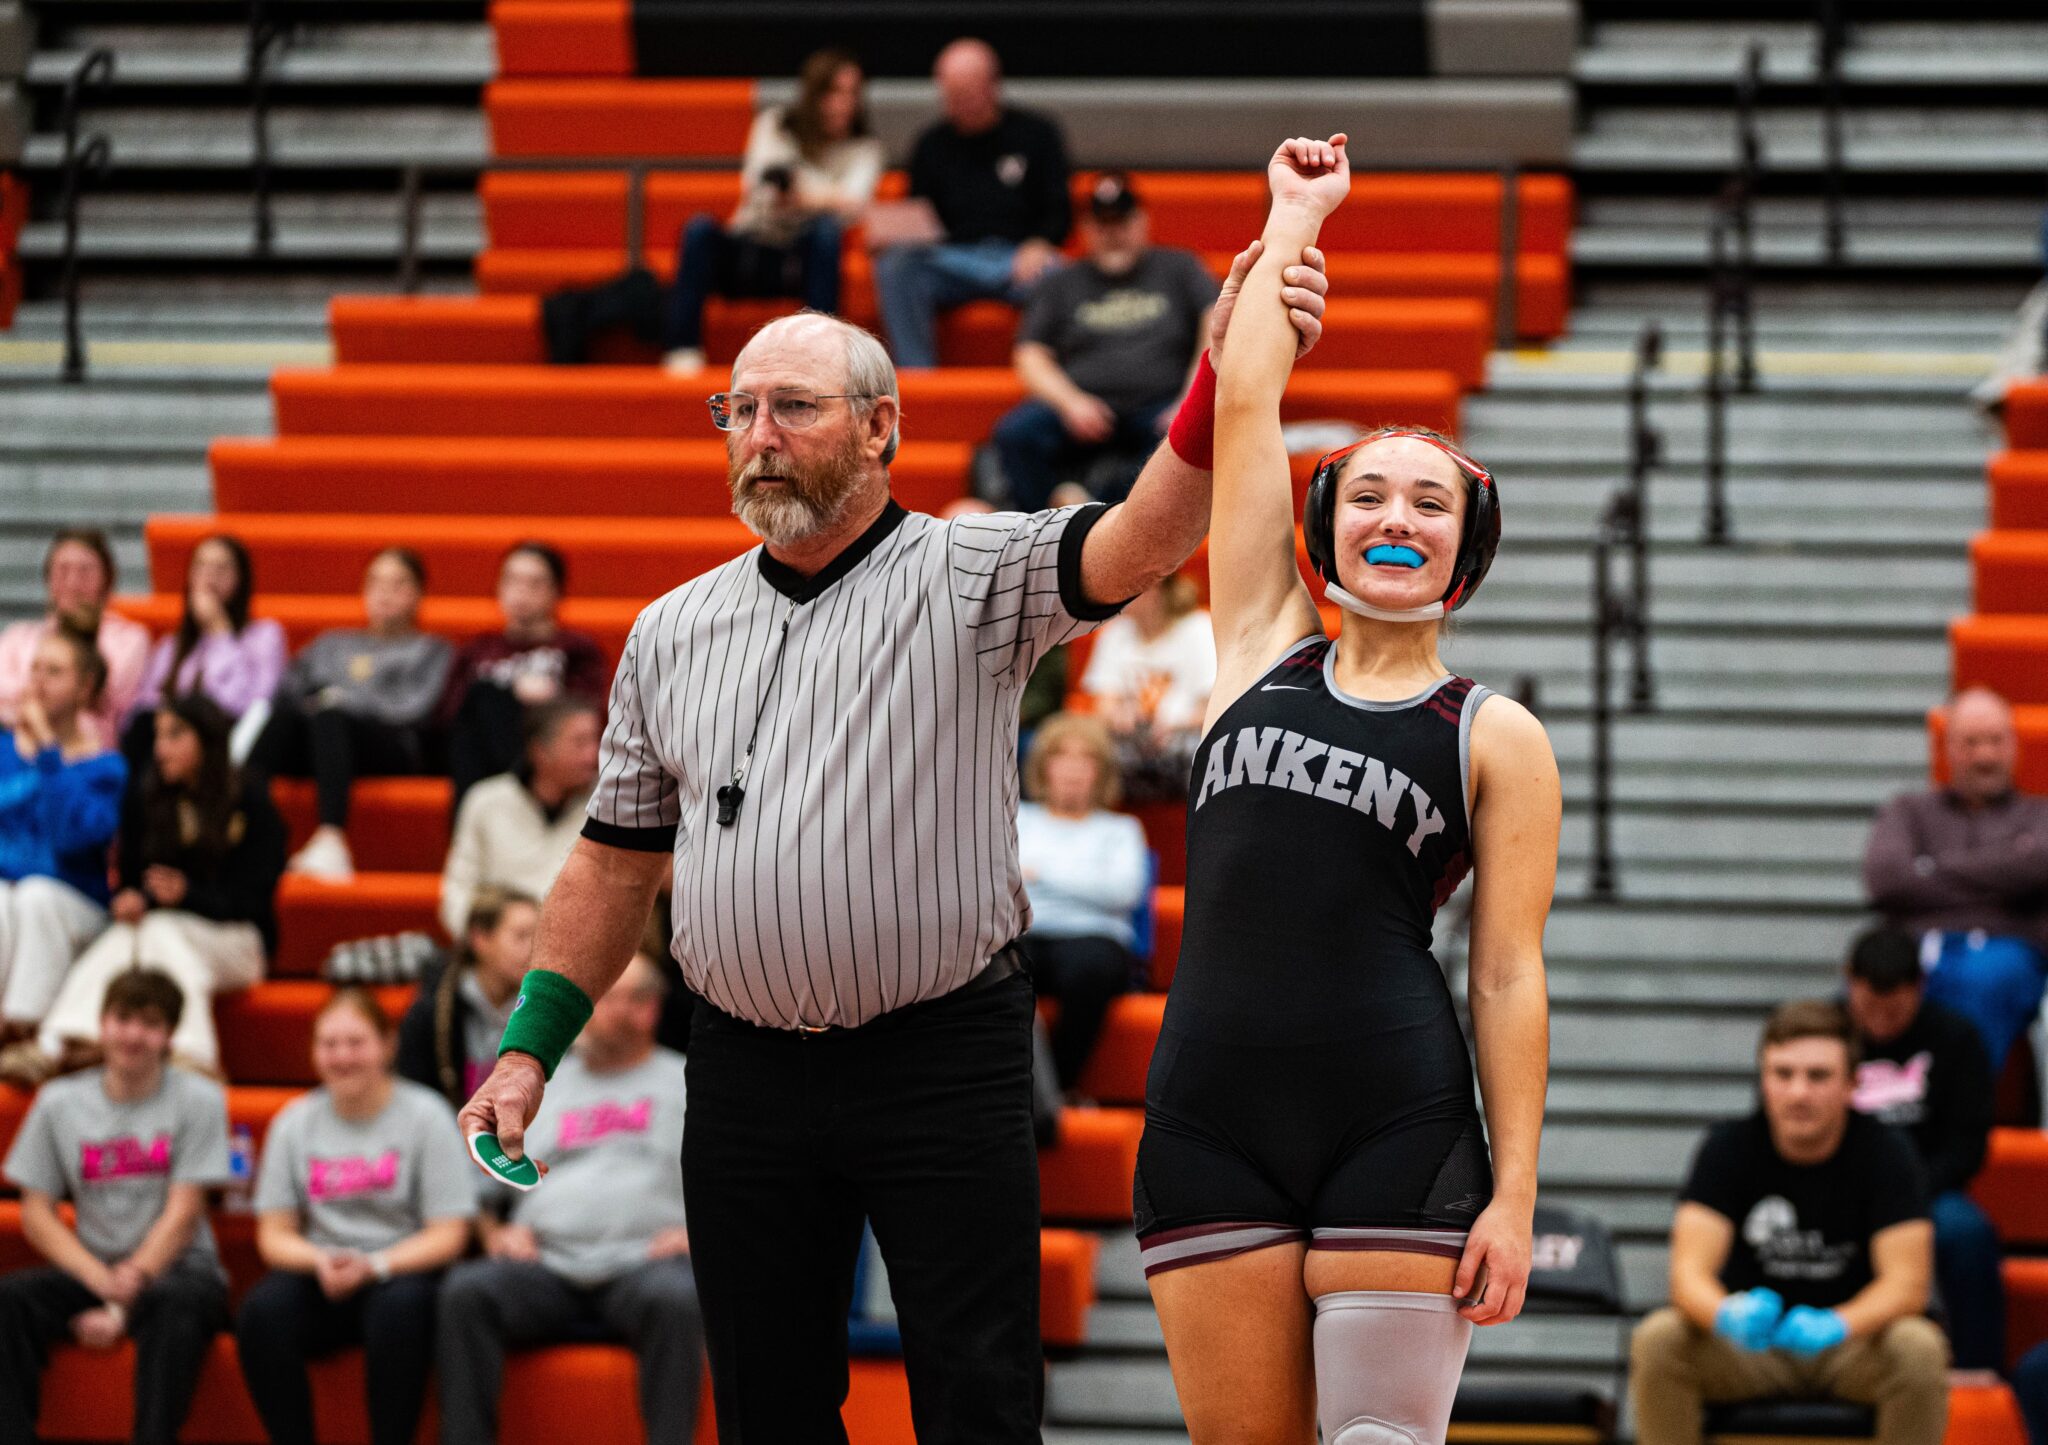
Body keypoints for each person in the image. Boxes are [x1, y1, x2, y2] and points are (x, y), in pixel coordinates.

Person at [456, 248, 1331, 1440]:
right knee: (768, 1405)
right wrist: (526, 1049)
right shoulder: (669, 630)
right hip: (743, 1072)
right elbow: (612, 863)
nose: (757, 434)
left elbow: (1144, 536)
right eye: (739, 408)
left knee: (976, 1401)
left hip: (941, 1057)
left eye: (792, 407)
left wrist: (1214, 379)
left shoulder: (977, 574)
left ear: (879, 429)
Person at [1135, 136, 1558, 1445]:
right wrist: (1296, 216)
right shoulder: (1258, 642)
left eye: (1429, 499)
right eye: (1368, 489)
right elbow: (1249, 404)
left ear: (1463, 550)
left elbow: (1506, 975)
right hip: (1209, 1118)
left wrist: (1520, 1195)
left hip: (1398, 1116)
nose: (1396, 511)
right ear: (1323, 537)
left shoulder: (1495, 732)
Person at [1632, 999, 1947, 1445]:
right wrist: (1725, 1313)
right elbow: (1687, 1277)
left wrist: (1837, 1324)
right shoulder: (1726, 1149)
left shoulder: (1889, 1154)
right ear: (1763, 1079)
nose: (1798, 1092)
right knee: (1659, 1338)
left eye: (1818, 1076)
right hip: (1752, 1351)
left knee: (1919, 1347)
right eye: (1783, 1074)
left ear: (1851, 1084)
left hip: (1852, 1347)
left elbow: (1908, 1285)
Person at [437, 953, 700, 1445]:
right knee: (467, 1292)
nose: (585, 1012)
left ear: (645, 1010)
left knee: (678, 1299)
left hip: (645, 1264)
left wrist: (696, 1235)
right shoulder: (544, 1087)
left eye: (602, 1000)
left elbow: (727, 1182)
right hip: (545, 1265)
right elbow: (483, 1179)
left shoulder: (688, 1083)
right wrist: (497, 1233)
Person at [0, 967, 233, 1445]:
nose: (133, 1034)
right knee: (7, 1303)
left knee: (175, 1306)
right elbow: (36, 1210)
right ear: (102, 1023)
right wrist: (97, 1279)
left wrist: (129, 1287)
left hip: (177, 1271)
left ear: (168, 1036)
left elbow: (185, 1209)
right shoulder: (58, 1102)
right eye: (122, 1019)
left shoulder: (201, 1100)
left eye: (149, 1024)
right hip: (94, 1266)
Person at [236, 989, 474, 1445]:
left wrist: (375, 1266)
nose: (342, 1056)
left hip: (401, 1268)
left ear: (388, 1045)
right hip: (325, 1271)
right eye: (329, 1044)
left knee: (398, 1312)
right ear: (313, 1052)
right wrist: (320, 1261)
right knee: (261, 1315)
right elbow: (275, 1234)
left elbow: (449, 1233)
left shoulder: (426, 1115)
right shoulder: (294, 1122)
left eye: (356, 1042)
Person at [24, 694, 286, 1085]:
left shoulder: (249, 799)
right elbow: (134, 880)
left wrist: (188, 895)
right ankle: (56, 1041)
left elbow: (254, 900)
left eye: (175, 735)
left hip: (240, 939)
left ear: (207, 740)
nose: (161, 748)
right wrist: (133, 900)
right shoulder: (147, 796)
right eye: (158, 736)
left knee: (159, 932)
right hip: (163, 935)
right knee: (128, 934)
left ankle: (192, 1055)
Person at [992, 173, 1216, 511]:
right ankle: (1043, 529)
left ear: (1142, 221)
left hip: (1159, 407)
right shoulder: (1061, 283)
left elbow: (1215, 326)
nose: (1112, 233)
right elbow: (1030, 353)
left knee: (1191, 437)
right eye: (1102, 223)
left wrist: (1188, 401)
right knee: (1016, 434)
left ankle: (1095, 513)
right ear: (1085, 228)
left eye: (1121, 221)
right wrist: (1070, 402)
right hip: (1083, 406)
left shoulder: (1180, 269)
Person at [662, 48, 885, 376]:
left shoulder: (865, 148)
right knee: (697, 230)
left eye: (852, 94)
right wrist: (825, 195)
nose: (843, 103)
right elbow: (760, 186)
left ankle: (822, 358)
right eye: (834, 92)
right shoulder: (776, 124)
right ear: (814, 94)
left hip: (800, 260)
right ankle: (682, 350)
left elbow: (854, 205)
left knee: (826, 233)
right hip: (750, 246)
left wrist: (801, 192)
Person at [1863, 685, 2048, 1071]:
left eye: (1996, 741)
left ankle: (1953, 1114)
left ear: (2015, 746)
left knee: (1983, 981)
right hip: (1911, 955)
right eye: (1971, 742)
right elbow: (1885, 880)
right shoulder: (1907, 810)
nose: (1985, 755)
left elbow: (2038, 868)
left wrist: (1931, 868)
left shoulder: (2040, 814)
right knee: (1846, 1003)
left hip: (2008, 955)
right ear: (1946, 749)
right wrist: (2000, 877)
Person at [1843, 925, 2002, 1372]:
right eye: (1870, 1008)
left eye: (1894, 1012)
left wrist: (1907, 1192)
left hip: (1928, 1190)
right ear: (1849, 982)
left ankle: (1978, 1371)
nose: (1880, 1023)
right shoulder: (1824, 1035)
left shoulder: (1955, 1036)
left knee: (1966, 1234)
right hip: (1836, 1189)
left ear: (1920, 988)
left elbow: (1968, 1143)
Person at [255, 547, 452, 882]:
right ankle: (244, 832)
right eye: (376, 583)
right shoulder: (332, 643)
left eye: (398, 584)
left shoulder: (433, 650)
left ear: (419, 593)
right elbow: (288, 692)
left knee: (332, 713)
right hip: (324, 739)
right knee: (284, 723)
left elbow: (418, 709)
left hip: (391, 745)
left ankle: (331, 838)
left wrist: (342, 704)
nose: (385, 594)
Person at [873, 38, 1071, 369]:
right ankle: (917, 377)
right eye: (951, 97)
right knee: (896, 265)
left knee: (1061, 277)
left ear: (992, 86)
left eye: (966, 95)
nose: (958, 106)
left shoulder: (1037, 134)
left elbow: (1058, 209)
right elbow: (920, 215)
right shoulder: (931, 144)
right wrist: (896, 234)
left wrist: (1039, 243)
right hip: (954, 259)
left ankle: (1046, 377)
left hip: (1017, 257)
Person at [0, 627, 126, 1044]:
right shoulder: (3, 751)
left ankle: (23, 1028)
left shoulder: (105, 767)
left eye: (54, 671)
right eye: (34, 668)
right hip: (13, 895)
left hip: (73, 901)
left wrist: (49, 755)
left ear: (84, 687)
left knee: (35, 894)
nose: (38, 681)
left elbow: (73, 838)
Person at [1016, 712, 1147, 1094]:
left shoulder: (1120, 830)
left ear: (1101, 772)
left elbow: (1123, 892)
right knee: (996, 970)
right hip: (1027, 931)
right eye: (1062, 757)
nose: (1073, 771)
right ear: (1044, 765)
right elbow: (1003, 883)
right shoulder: (1020, 818)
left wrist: (1041, 874)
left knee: (1090, 971)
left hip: (1095, 938)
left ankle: (1053, 1093)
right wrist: (1085, 881)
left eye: (1085, 759)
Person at [436, 542, 607, 816]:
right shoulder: (477, 649)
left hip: (545, 752)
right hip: (481, 758)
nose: (521, 592)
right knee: (483, 694)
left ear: (556, 591)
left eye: (535, 583)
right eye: (512, 580)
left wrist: (552, 697)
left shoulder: (576, 649)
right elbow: (448, 716)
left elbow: (589, 714)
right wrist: (509, 691)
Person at [441, 696, 601, 938]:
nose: (593, 756)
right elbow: (457, 891)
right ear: (539, 751)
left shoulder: (608, 806)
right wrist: (484, 942)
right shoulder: (486, 801)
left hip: (580, 947)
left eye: (596, 741)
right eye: (579, 743)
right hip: (498, 946)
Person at [124, 533, 287, 768]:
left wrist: (220, 632)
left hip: (229, 742)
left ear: (241, 579)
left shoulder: (265, 636)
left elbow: (250, 707)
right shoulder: (172, 646)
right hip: (170, 745)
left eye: (221, 569)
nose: (209, 577)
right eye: (201, 567)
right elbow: (146, 705)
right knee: (143, 726)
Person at [0, 529, 151, 748]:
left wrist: (27, 704)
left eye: (85, 571)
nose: (72, 581)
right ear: (47, 577)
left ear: (106, 579)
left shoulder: (129, 638)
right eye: (62, 570)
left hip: (91, 751)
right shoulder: (18, 635)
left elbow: (103, 693)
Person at [1078, 571, 1216, 801]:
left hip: (1186, 738)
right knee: (1080, 746)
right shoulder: (1115, 632)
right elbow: (1104, 704)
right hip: (1131, 740)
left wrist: (1174, 724)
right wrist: (1119, 716)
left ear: (1155, 589)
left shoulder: (1198, 628)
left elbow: (1214, 707)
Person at [398, 887, 539, 1110]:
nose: (533, 948)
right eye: (521, 936)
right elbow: (413, 1098)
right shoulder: (432, 1012)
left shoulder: (545, 1006)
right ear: (480, 939)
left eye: (538, 936)